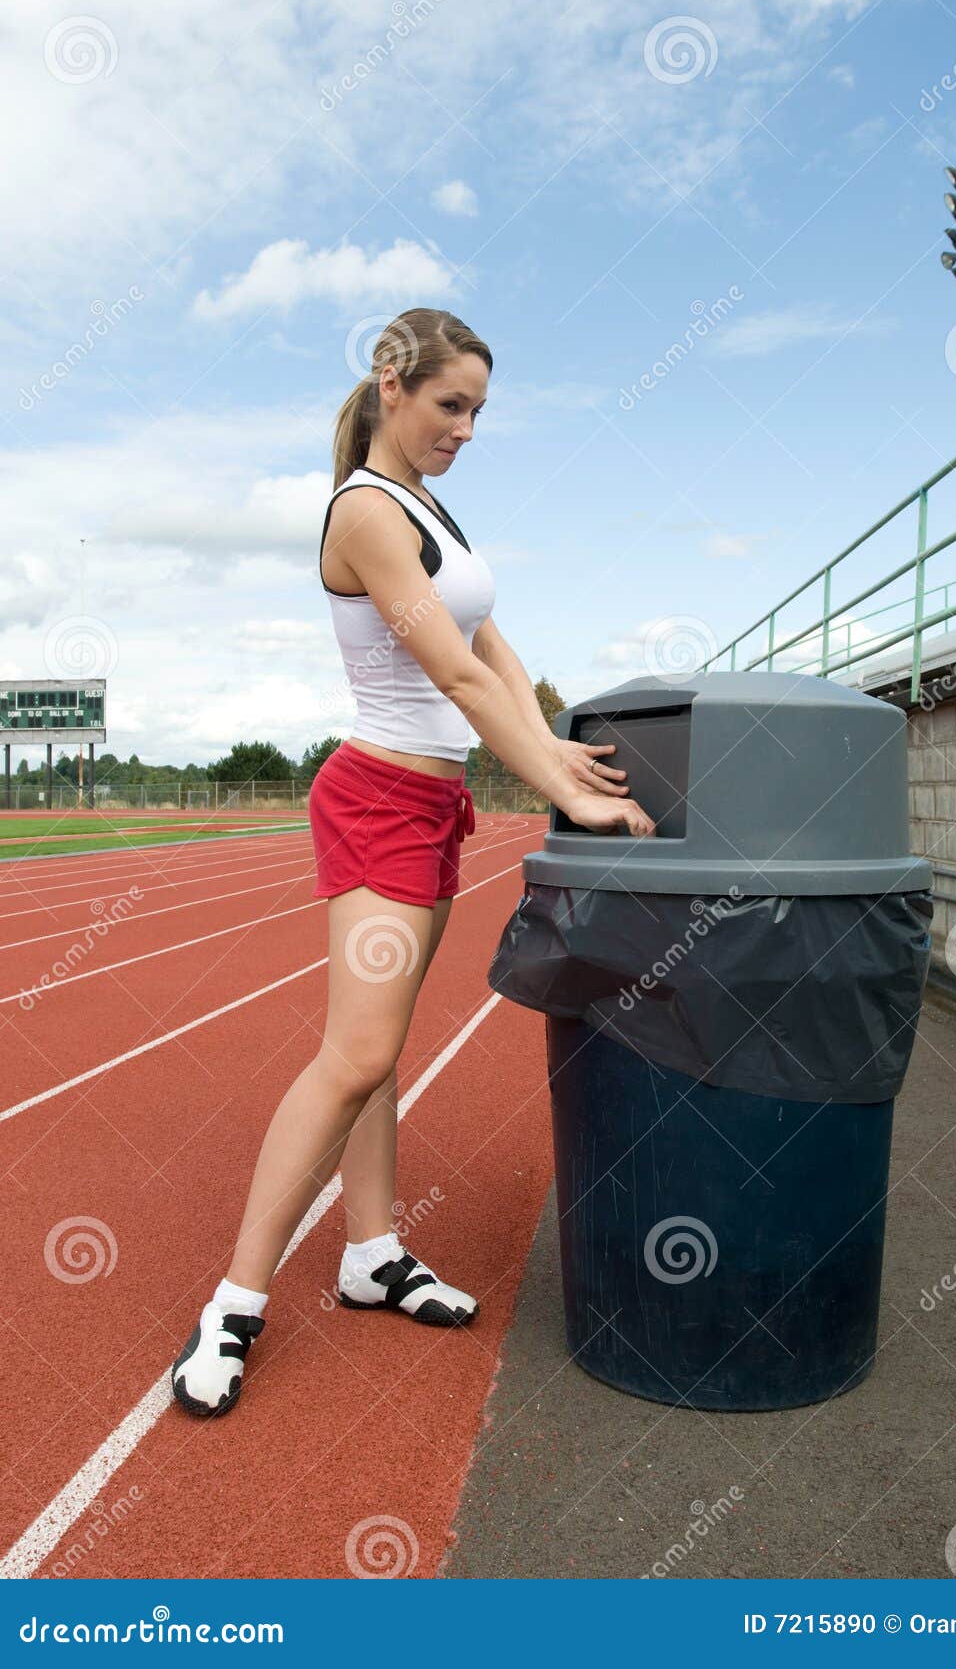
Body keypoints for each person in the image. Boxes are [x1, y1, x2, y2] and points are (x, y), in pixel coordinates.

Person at [171, 308, 656, 1417]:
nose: (467, 427)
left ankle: (369, 1252)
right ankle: (235, 1301)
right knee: (354, 1054)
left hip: (431, 801)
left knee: (379, 1048)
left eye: (479, 410)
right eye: (451, 404)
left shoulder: (435, 508)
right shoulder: (364, 512)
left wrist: (551, 744)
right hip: (381, 797)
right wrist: (556, 781)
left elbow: (496, 651)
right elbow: (457, 677)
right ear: (391, 383)